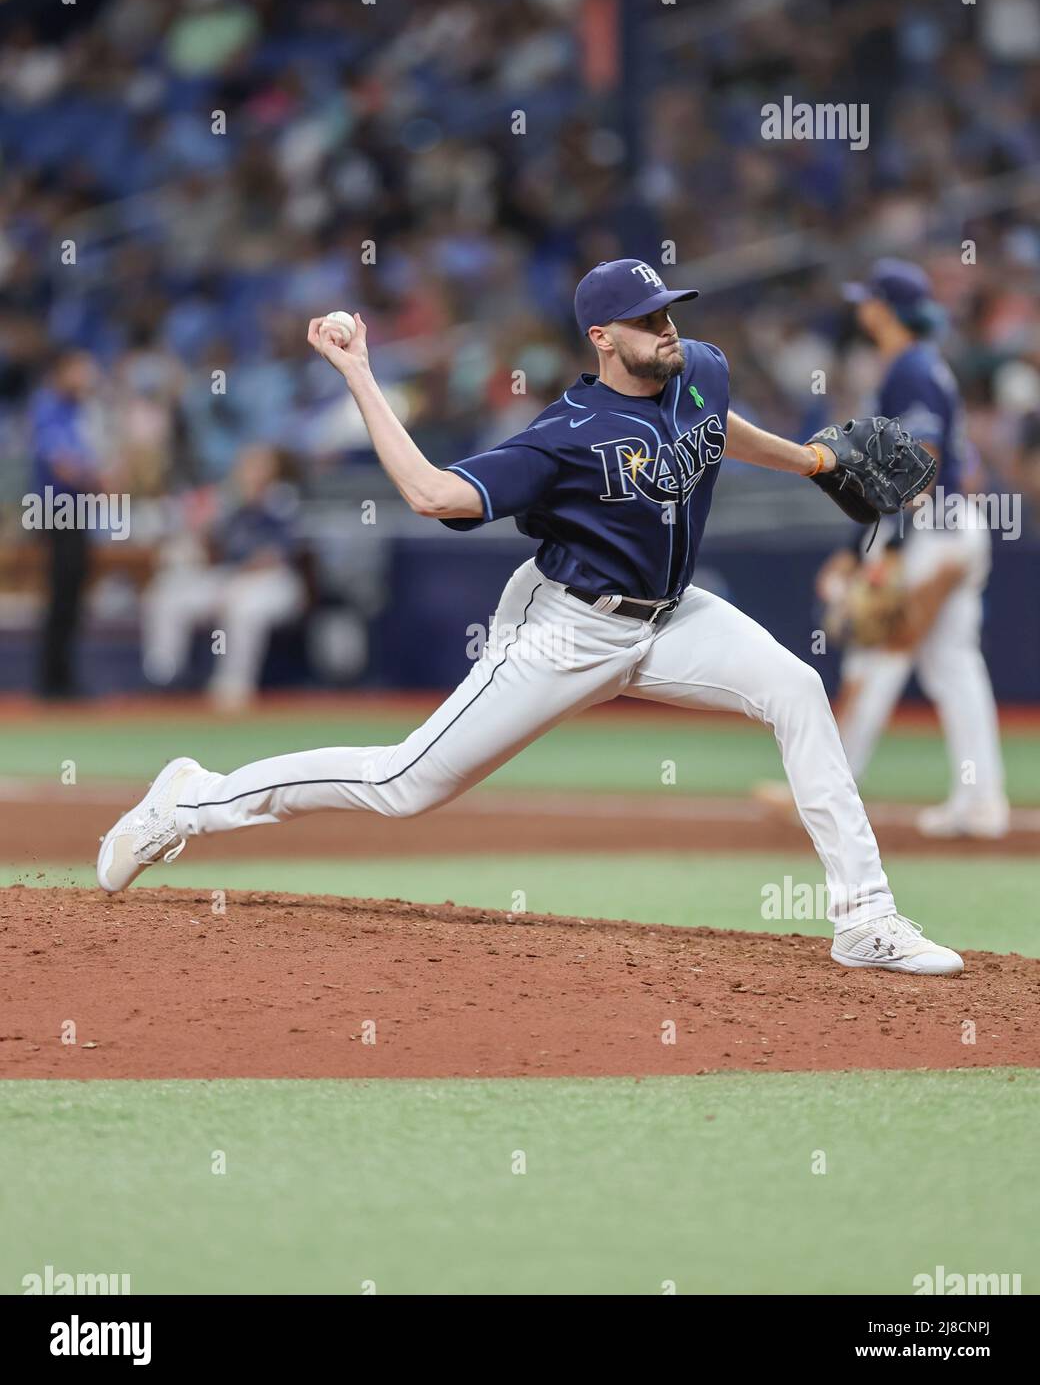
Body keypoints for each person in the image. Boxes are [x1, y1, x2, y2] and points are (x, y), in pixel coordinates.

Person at [97, 259, 963, 975]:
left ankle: (864, 919)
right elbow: (435, 494)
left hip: (673, 617)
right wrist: (360, 372)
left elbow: (714, 427)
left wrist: (810, 458)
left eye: (669, 315)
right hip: (567, 628)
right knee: (405, 786)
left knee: (798, 688)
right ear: (602, 338)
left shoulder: (698, 368)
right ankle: (189, 801)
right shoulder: (564, 435)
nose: (667, 331)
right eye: (648, 322)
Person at [818, 260, 1008, 839]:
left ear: (883, 309)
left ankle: (830, 794)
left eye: (867, 300)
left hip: (933, 534)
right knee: (952, 665)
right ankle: (981, 804)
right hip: (957, 529)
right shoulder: (927, 366)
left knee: (877, 652)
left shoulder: (911, 370)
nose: (861, 309)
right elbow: (960, 467)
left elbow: (918, 463)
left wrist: (889, 546)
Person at [140, 443, 306, 711]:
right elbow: (212, 547)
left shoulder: (282, 499)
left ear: (273, 469)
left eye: (258, 465)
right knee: (167, 595)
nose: (249, 471)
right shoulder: (230, 500)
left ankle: (232, 690)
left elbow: (274, 555)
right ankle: (164, 679)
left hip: (274, 581)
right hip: (230, 576)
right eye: (246, 464)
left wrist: (234, 583)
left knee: (243, 607)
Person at [29, 351, 103, 699]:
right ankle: (53, 681)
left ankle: (62, 677)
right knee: (62, 593)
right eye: (79, 371)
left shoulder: (78, 410)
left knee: (72, 594)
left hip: (78, 509)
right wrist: (99, 477)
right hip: (59, 511)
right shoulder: (49, 408)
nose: (86, 378)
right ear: (61, 372)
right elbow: (62, 465)